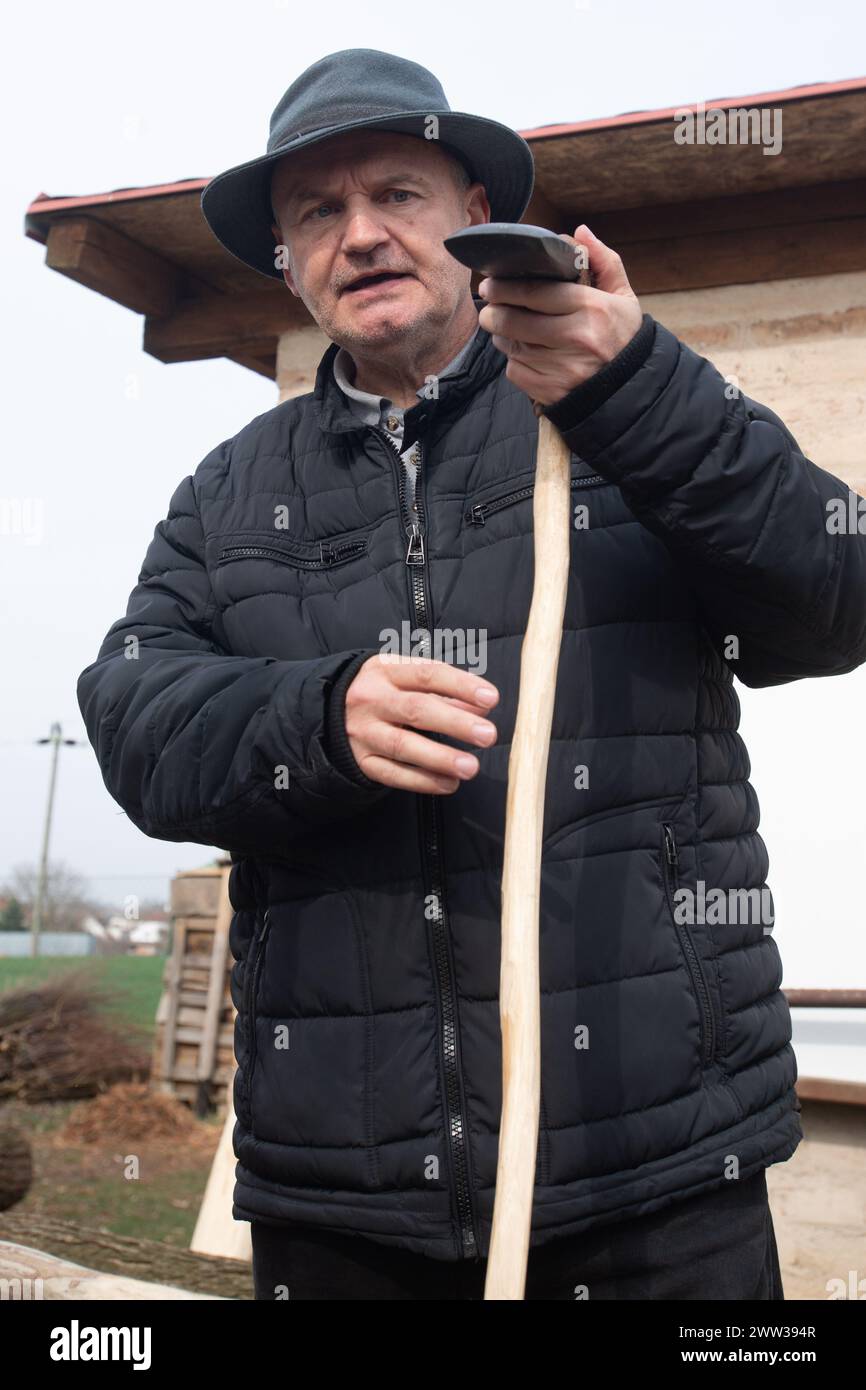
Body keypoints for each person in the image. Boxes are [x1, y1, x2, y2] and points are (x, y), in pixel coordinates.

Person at [78, 49, 866, 1301]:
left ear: (477, 216)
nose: (360, 234)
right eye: (316, 213)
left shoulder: (620, 411)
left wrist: (641, 393)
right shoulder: (229, 492)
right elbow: (132, 717)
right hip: (344, 1202)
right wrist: (312, 717)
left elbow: (832, 603)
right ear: (286, 261)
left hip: (657, 1174)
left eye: (398, 194)